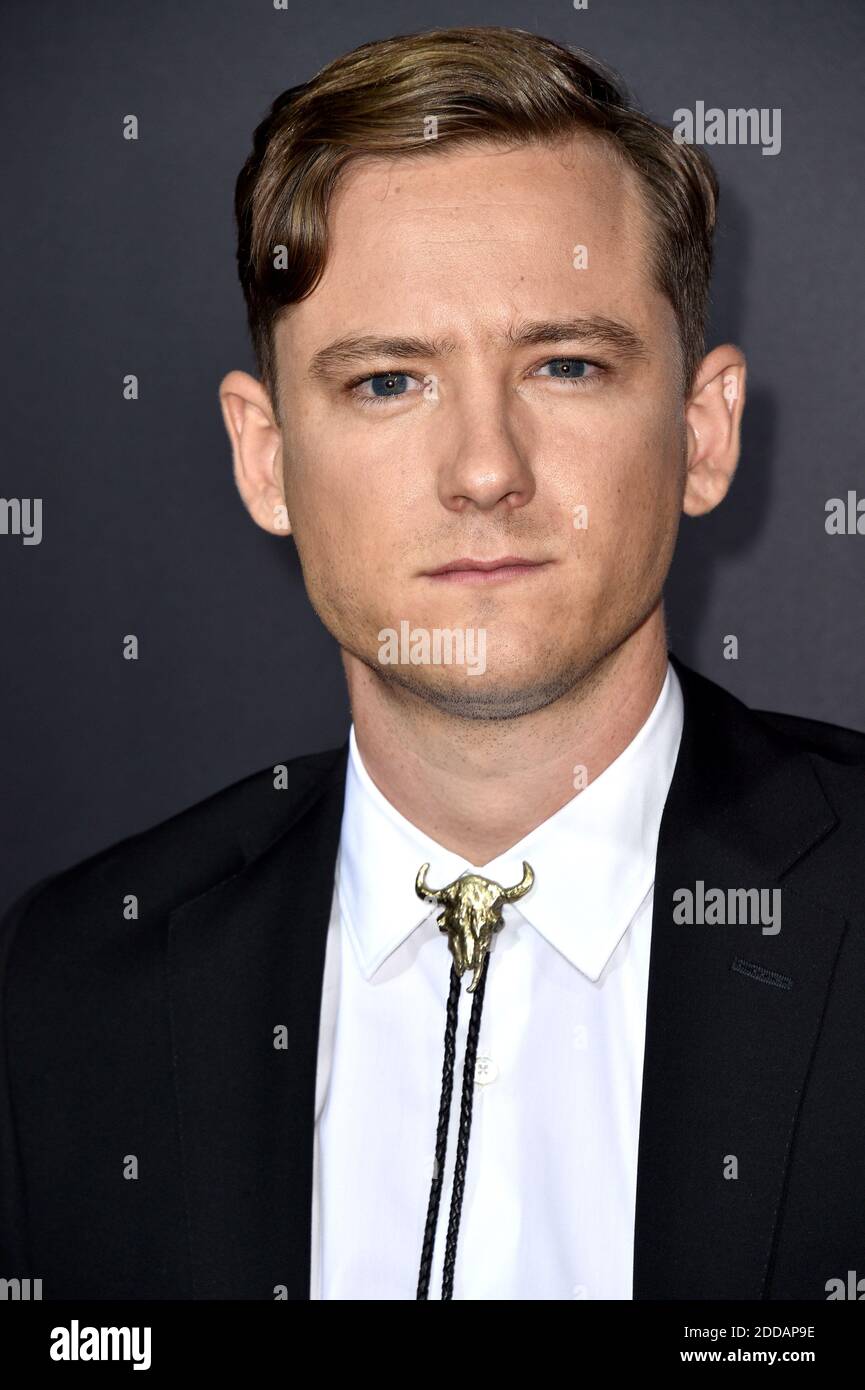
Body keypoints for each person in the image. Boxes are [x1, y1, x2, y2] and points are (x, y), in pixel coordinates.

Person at [2, 26, 864, 1303]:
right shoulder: (64, 991)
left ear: (701, 432)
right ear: (264, 454)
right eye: (389, 380)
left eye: (565, 366)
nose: (482, 469)